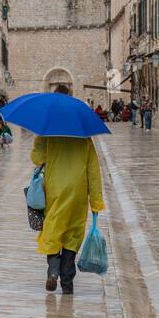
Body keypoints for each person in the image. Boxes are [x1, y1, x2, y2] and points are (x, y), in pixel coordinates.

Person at [30, 121, 105, 295]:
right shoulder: (85, 138)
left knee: (53, 231)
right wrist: (96, 201)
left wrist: (39, 140)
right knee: (72, 235)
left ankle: (53, 271)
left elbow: (37, 158)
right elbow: (93, 172)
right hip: (78, 192)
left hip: (55, 189)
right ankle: (67, 283)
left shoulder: (48, 133)